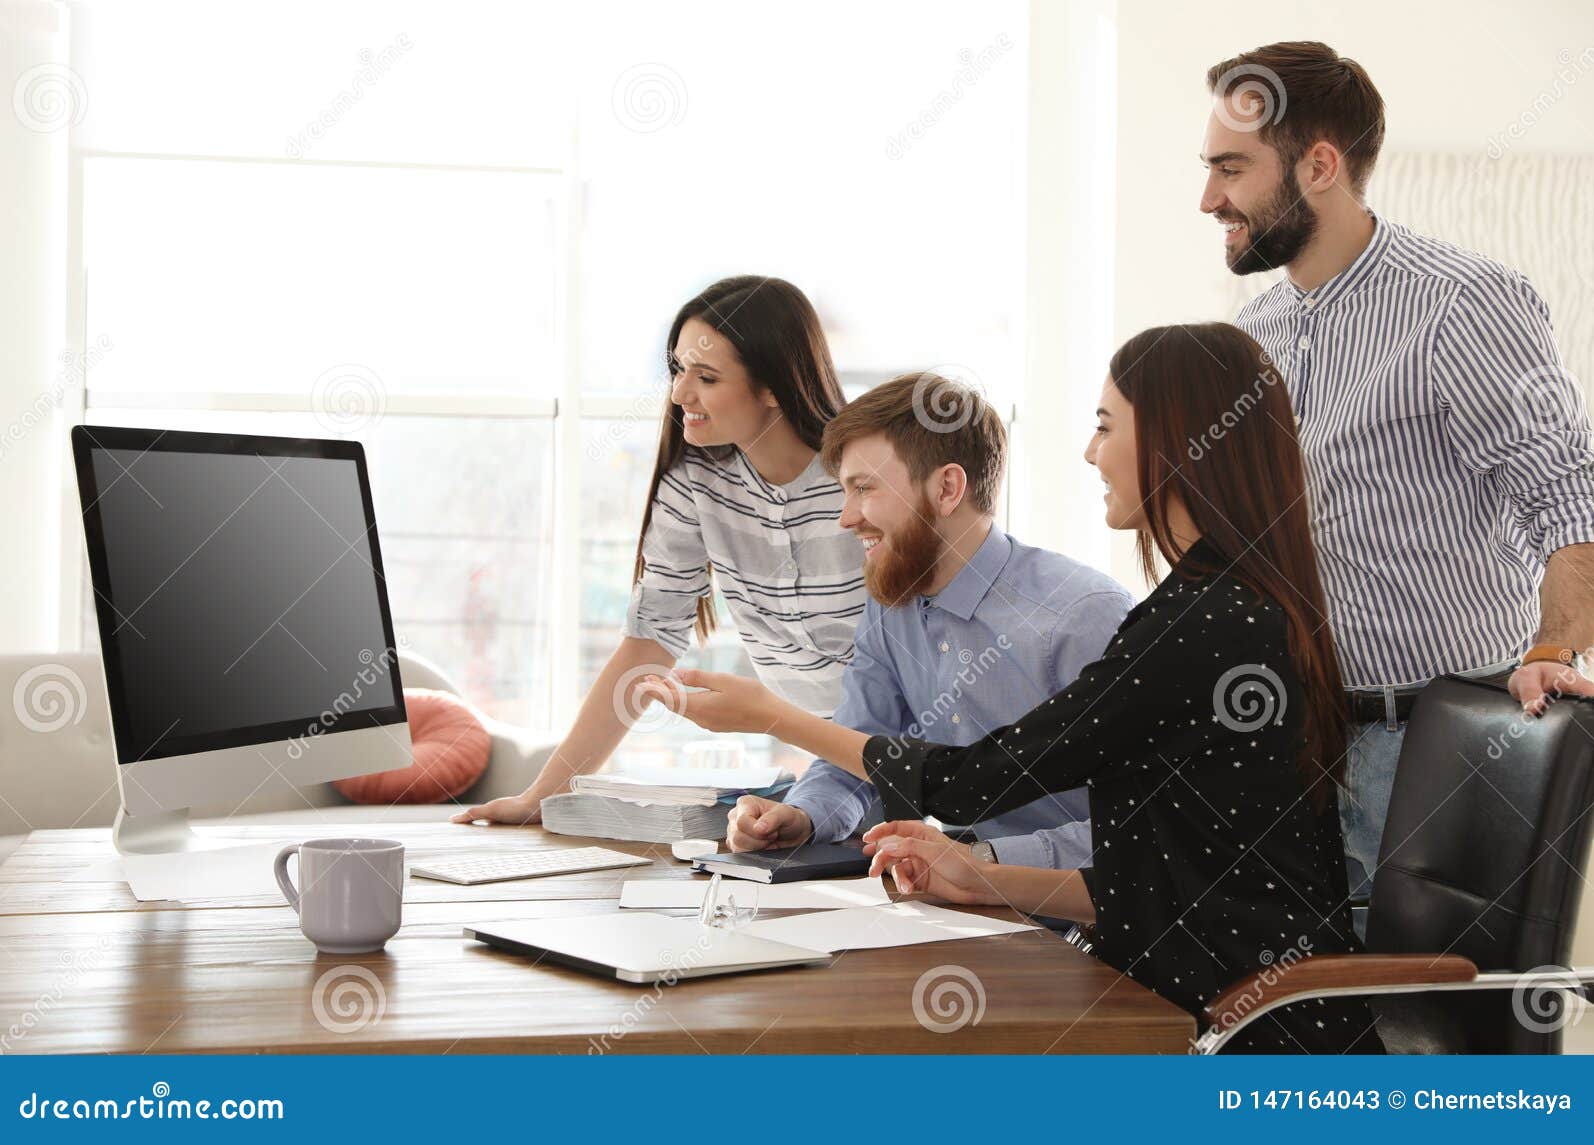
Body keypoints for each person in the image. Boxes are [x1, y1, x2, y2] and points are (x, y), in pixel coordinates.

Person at [644, 323, 1385, 1055]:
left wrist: (774, 717)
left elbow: (976, 781)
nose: (1090, 451)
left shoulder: (1185, 626)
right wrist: (974, 878)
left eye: (1106, 426)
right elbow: (1139, 873)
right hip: (1163, 987)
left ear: (1175, 440)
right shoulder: (1205, 609)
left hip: (1242, 1032)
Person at [1199, 41, 1594, 887]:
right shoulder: (1257, 330)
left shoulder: (1464, 304)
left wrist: (1557, 648)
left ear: (1319, 166)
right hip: (1295, 743)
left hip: (1438, 744)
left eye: (1231, 169)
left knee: (1424, 979)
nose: (1210, 199)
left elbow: (1571, 503)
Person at [453, 276, 866, 825]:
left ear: (774, 385)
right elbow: (649, 642)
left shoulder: (864, 474)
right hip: (831, 760)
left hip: (909, 751)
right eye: (678, 370)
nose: (679, 394)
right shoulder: (697, 479)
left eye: (706, 377)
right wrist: (539, 800)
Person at [725, 371, 1130, 872]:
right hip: (970, 894)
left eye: (864, 489)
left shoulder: (1083, 615)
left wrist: (985, 862)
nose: (846, 518)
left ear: (947, 488)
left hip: (1085, 908)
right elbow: (859, 754)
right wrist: (802, 816)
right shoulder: (890, 604)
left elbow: (1147, 826)